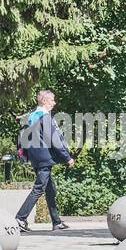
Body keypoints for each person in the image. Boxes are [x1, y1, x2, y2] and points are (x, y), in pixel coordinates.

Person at [15, 88, 75, 232]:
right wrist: (67, 157)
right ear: (44, 101)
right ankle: (20, 218)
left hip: (36, 157)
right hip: (44, 158)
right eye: (52, 100)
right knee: (39, 188)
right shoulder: (45, 117)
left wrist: (27, 156)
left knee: (50, 189)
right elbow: (54, 139)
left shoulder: (31, 116)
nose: (54, 103)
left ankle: (56, 221)